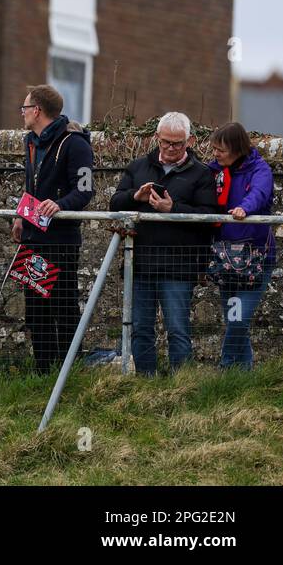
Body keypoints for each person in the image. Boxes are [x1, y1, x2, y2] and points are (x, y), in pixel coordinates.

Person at [109, 112, 217, 375]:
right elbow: (115, 204)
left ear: (190, 141)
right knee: (141, 329)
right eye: (166, 142)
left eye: (178, 143)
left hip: (179, 266)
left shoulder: (201, 174)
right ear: (156, 138)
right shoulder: (138, 167)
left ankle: (180, 387)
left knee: (178, 331)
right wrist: (136, 195)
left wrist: (173, 208)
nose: (171, 148)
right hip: (141, 263)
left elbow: (209, 217)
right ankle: (146, 385)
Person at [15, 84, 95, 374]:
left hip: (61, 239)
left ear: (37, 110)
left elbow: (85, 189)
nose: (22, 113)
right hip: (33, 236)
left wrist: (60, 205)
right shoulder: (30, 141)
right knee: (35, 309)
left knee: (62, 306)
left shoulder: (75, 143)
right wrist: (20, 216)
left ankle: (67, 370)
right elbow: (31, 184)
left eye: (24, 108)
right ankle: (43, 371)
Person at [206, 122, 275, 369]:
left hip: (256, 257)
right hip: (224, 257)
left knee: (238, 320)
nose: (215, 154)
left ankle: (225, 367)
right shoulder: (213, 171)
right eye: (213, 149)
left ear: (236, 148)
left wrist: (244, 207)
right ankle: (244, 375)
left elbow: (260, 192)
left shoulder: (260, 169)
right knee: (234, 320)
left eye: (220, 150)